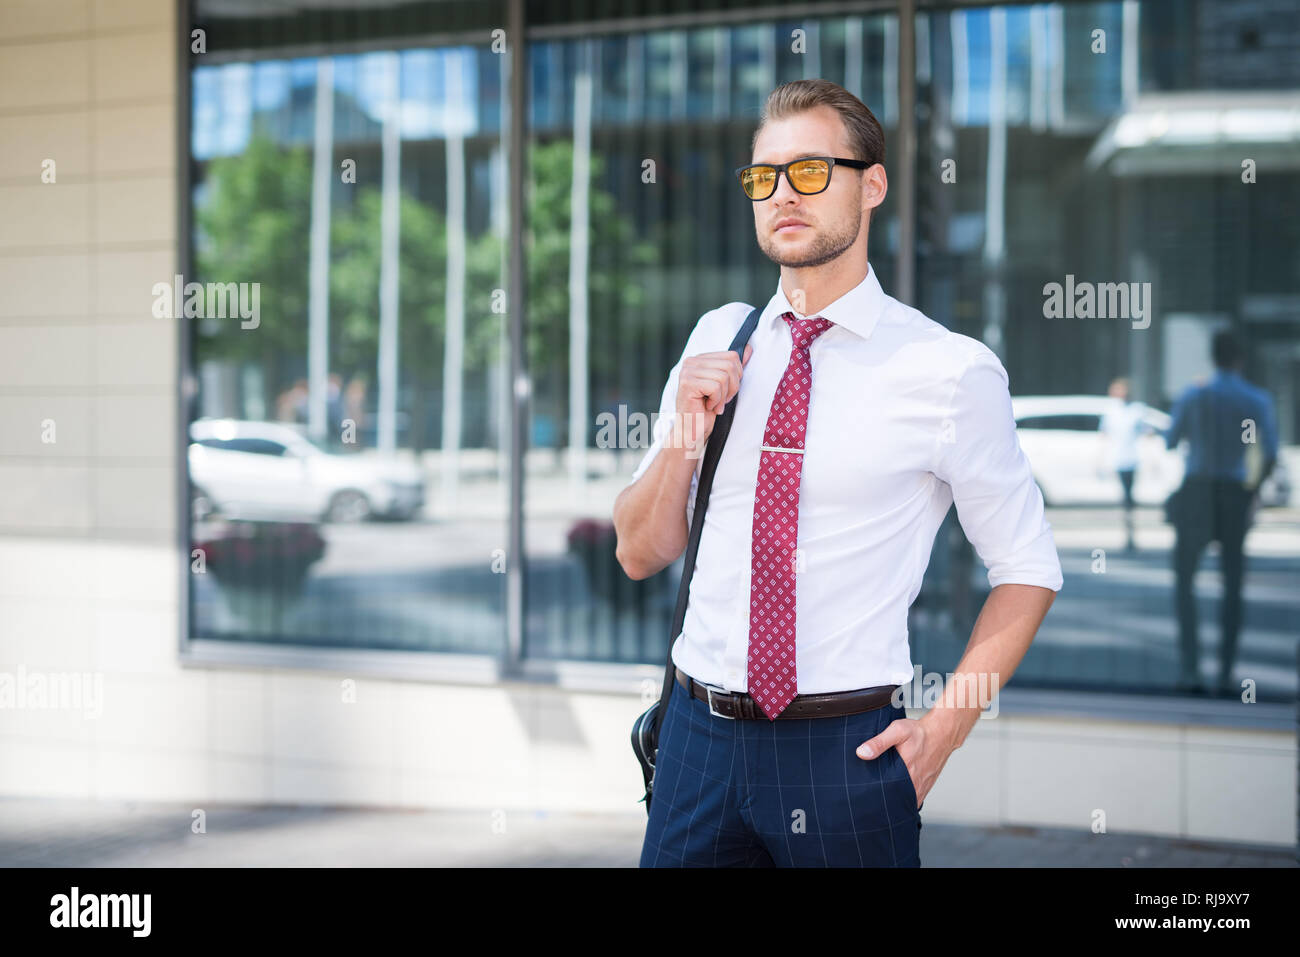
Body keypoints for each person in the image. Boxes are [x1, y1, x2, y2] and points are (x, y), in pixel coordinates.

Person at [612, 79, 1062, 867]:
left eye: (811, 171)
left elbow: (1027, 568)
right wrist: (688, 428)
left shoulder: (948, 369)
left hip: (844, 757)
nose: (783, 193)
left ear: (873, 183)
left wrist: (942, 731)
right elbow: (639, 553)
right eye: (765, 177)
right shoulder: (719, 337)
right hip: (694, 742)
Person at [1164, 330, 1278, 697]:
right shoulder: (1255, 399)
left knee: (1185, 582)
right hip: (1234, 492)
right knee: (1232, 586)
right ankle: (1226, 672)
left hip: (1197, 489)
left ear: (1212, 357)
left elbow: (1170, 440)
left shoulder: (1195, 394)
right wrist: (1254, 490)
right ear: (1239, 358)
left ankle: (1189, 669)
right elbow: (1271, 451)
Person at [1099, 377, 1149, 552]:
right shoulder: (1111, 411)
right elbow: (1104, 434)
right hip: (1116, 458)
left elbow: (1145, 431)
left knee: (1129, 497)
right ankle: (1127, 531)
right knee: (1123, 497)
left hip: (1131, 458)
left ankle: (1130, 532)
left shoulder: (1136, 410)